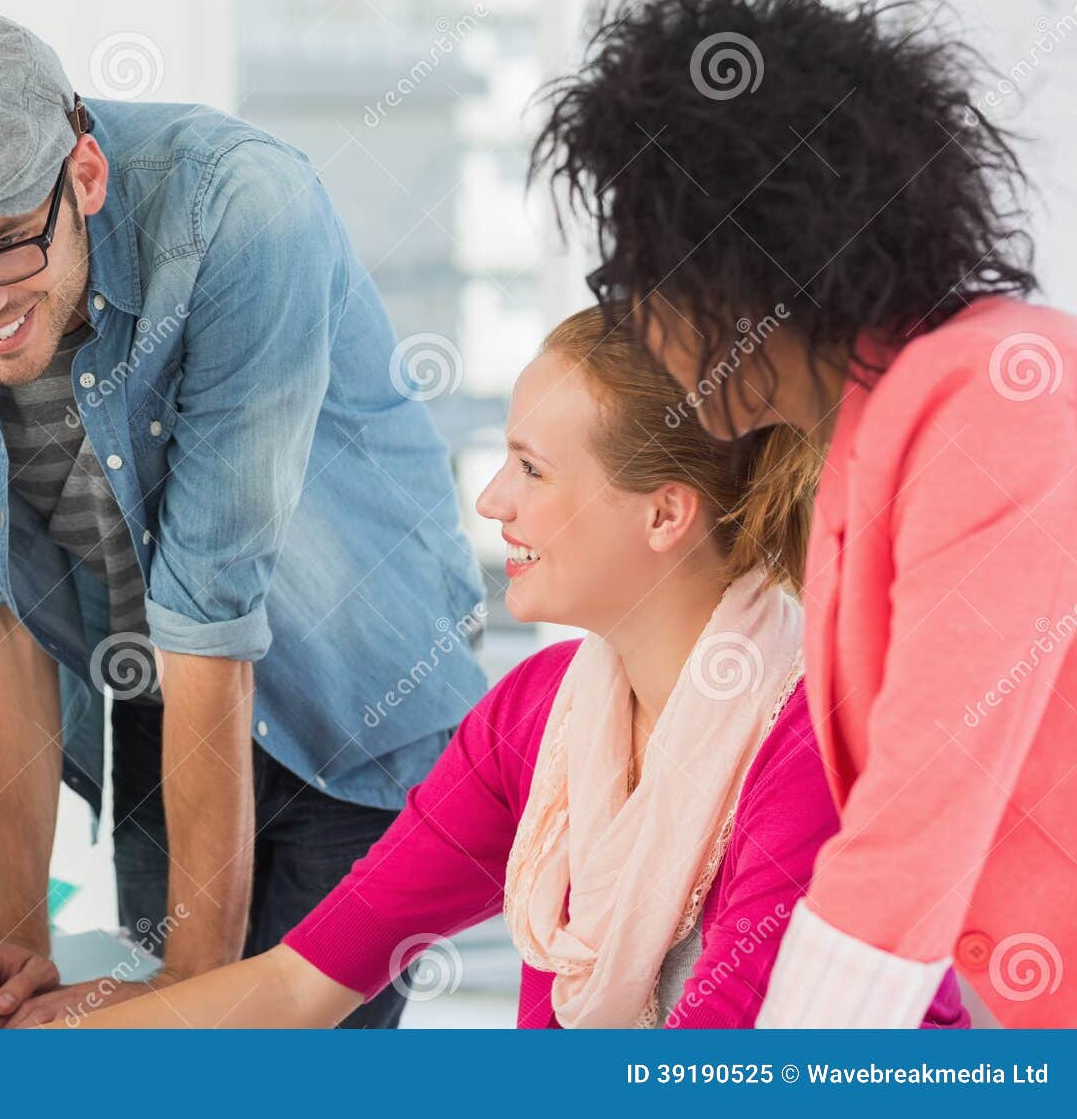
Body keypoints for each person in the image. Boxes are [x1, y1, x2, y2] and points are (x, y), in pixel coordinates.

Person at [0, 1, 487, 1029]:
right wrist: (15, 936)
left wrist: (184, 992)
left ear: (84, 177)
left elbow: (210, 610)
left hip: (352, 692)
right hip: (156, 695)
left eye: (6, 245)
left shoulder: (239, 208)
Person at [59, 304, 968, 1029]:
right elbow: (302, 984)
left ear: (664, 516)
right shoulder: (536, 716)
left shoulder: (814, 743)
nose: (494, 501)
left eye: (532, 469)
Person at [531, 0, 1077, 1026]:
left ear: (739, 267)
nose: (634, 322)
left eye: (638, 276)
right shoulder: (860, 439)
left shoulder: (993, 393)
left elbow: (915, 816)